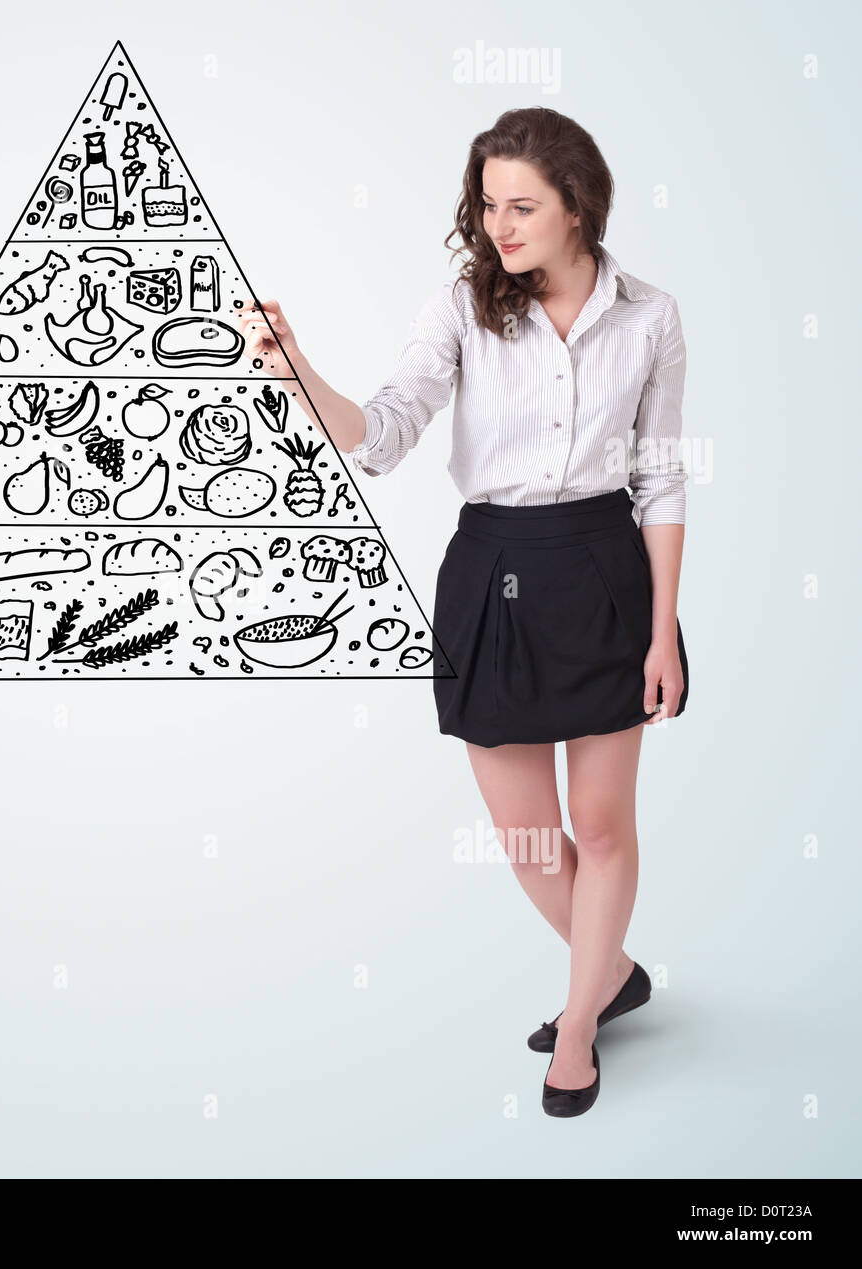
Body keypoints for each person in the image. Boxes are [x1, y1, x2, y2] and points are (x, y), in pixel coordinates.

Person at [236, 106, 690, 1118]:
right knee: (528, 837)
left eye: (522, 205)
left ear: (580, 206)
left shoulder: (650, 317)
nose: (500, 226)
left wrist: (662, 631)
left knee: (603, 826)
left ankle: (578, 1025)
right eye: (487, 205)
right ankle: (609, 973)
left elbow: (660, 481)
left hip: (606, 571)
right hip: (494, 573)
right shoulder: (460, 309)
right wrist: (296, 369)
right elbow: (384, 433)